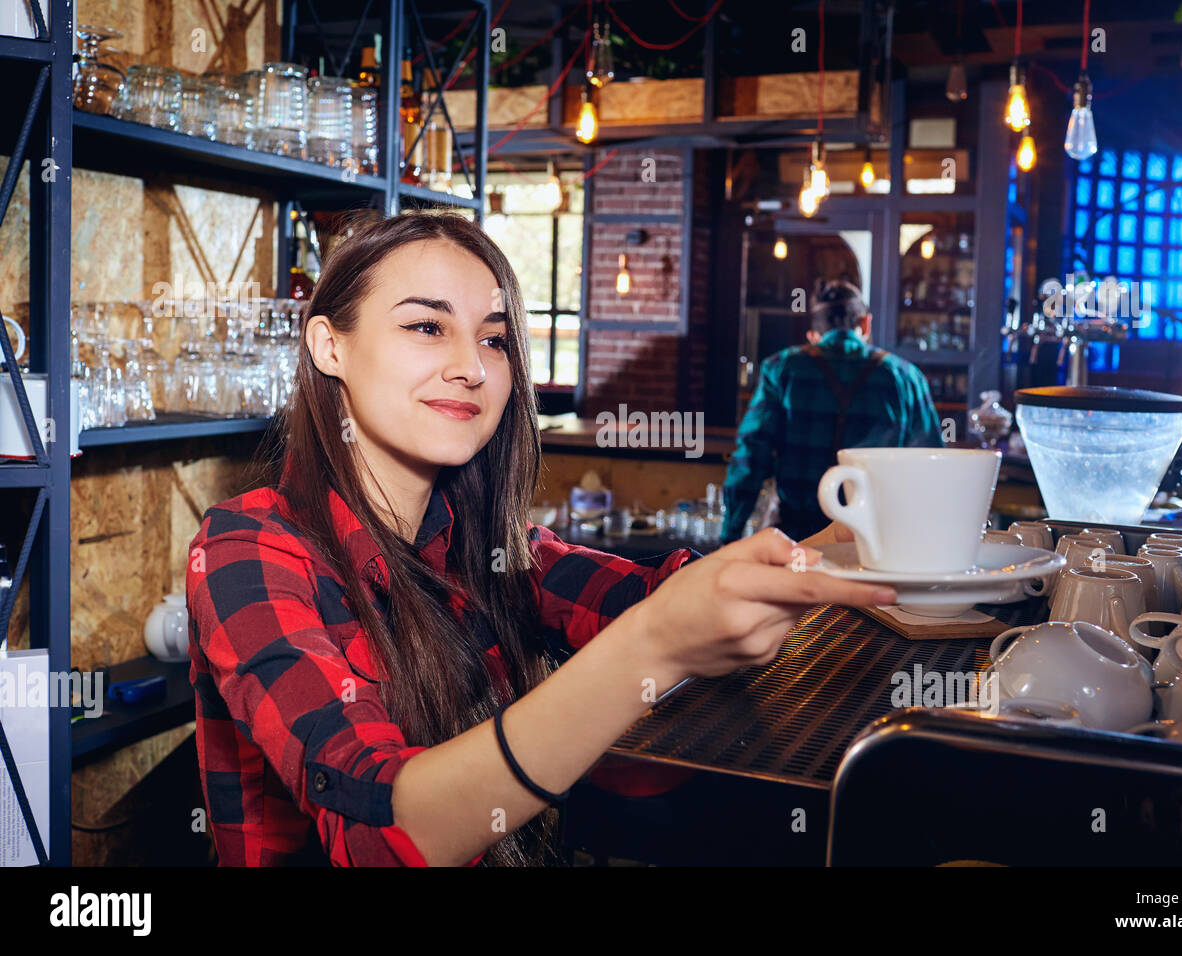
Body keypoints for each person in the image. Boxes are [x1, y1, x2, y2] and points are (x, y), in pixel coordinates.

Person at [185, 213, 898, 867]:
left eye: (494, 338)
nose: (472, 366)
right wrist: (653, 644)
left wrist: (828, 557)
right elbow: (380, 829)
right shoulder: (247, 550)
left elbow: (651, 595)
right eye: (428, 327)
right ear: (329, 345)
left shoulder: (489, 547)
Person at [722, 280, 945, 544]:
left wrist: (730, 534)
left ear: (814, 334)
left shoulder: (781, 368)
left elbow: (750, 459)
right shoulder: (906, 376)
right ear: (865, 324)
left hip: (796, 541)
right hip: (872, 539)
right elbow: (931, 466)